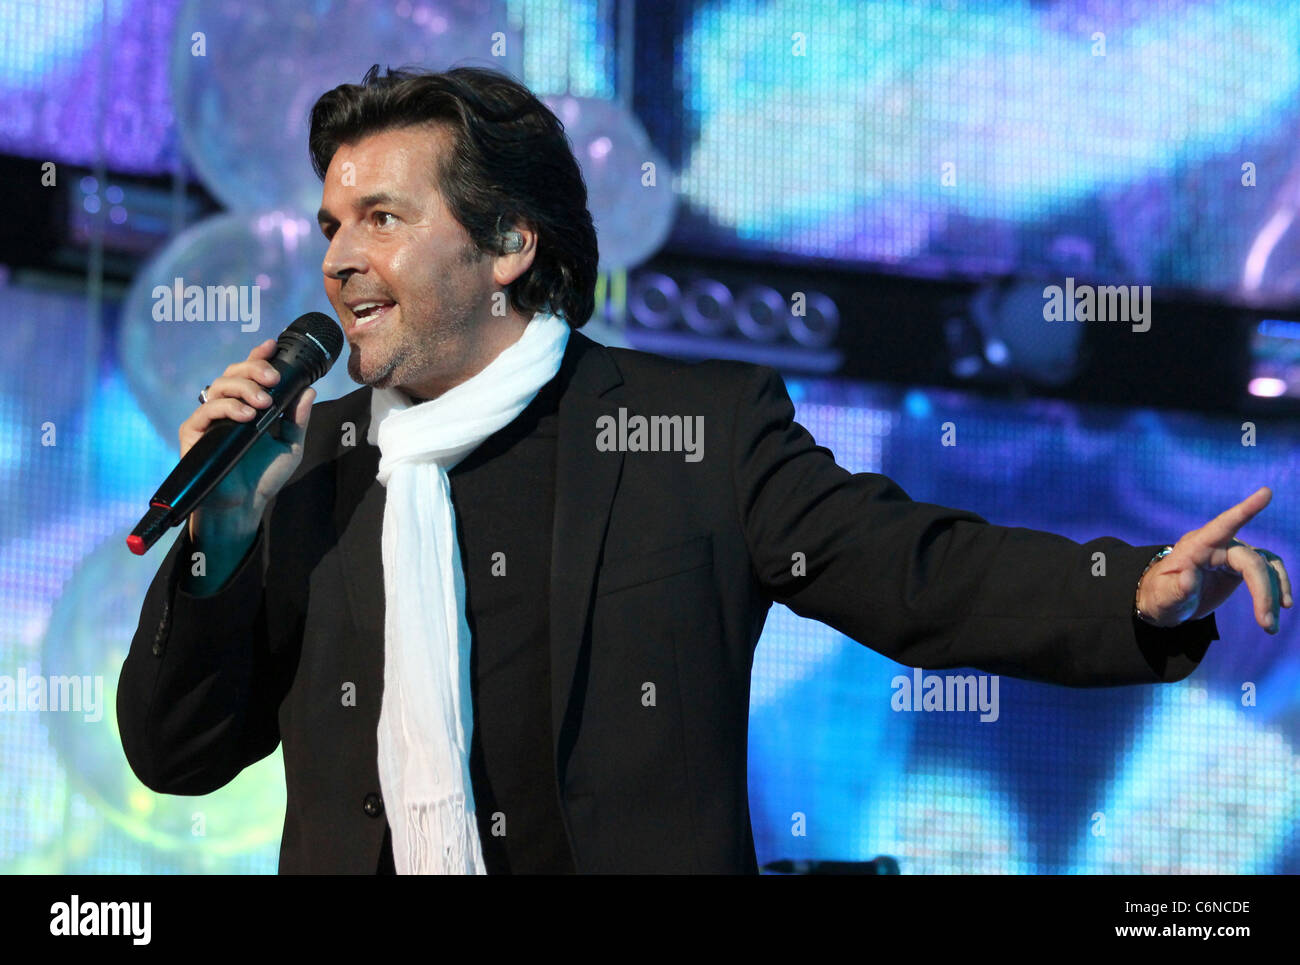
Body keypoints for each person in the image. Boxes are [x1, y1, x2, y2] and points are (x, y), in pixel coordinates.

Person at [118, 65, 1291, 874]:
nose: (339, 259)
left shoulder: (694, 431)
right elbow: (178, 754)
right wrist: (220, 528)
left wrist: (1126, 589)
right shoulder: (307, 467)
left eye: (380, 217)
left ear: (509, 247)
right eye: (329, 224)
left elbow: (910, 571)